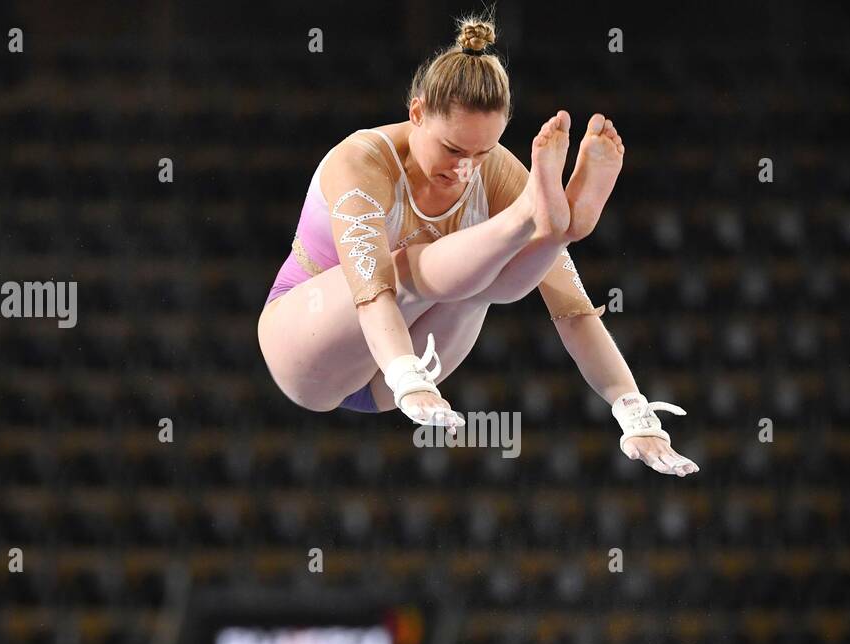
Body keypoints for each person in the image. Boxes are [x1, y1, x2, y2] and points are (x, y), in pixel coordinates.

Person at [257, 15, 699, 477]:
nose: (466, 170)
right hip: (309, 347)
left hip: (392, 373)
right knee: (408, 267)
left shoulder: (498, 171)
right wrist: (407, 376)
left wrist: (632, 410)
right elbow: (373, 291)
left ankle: (556, 231)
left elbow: (574, 314)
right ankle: (531, 220)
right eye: (452, 150)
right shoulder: (362, 161)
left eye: (482, 154)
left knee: (483, 286)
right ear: (417, 113)